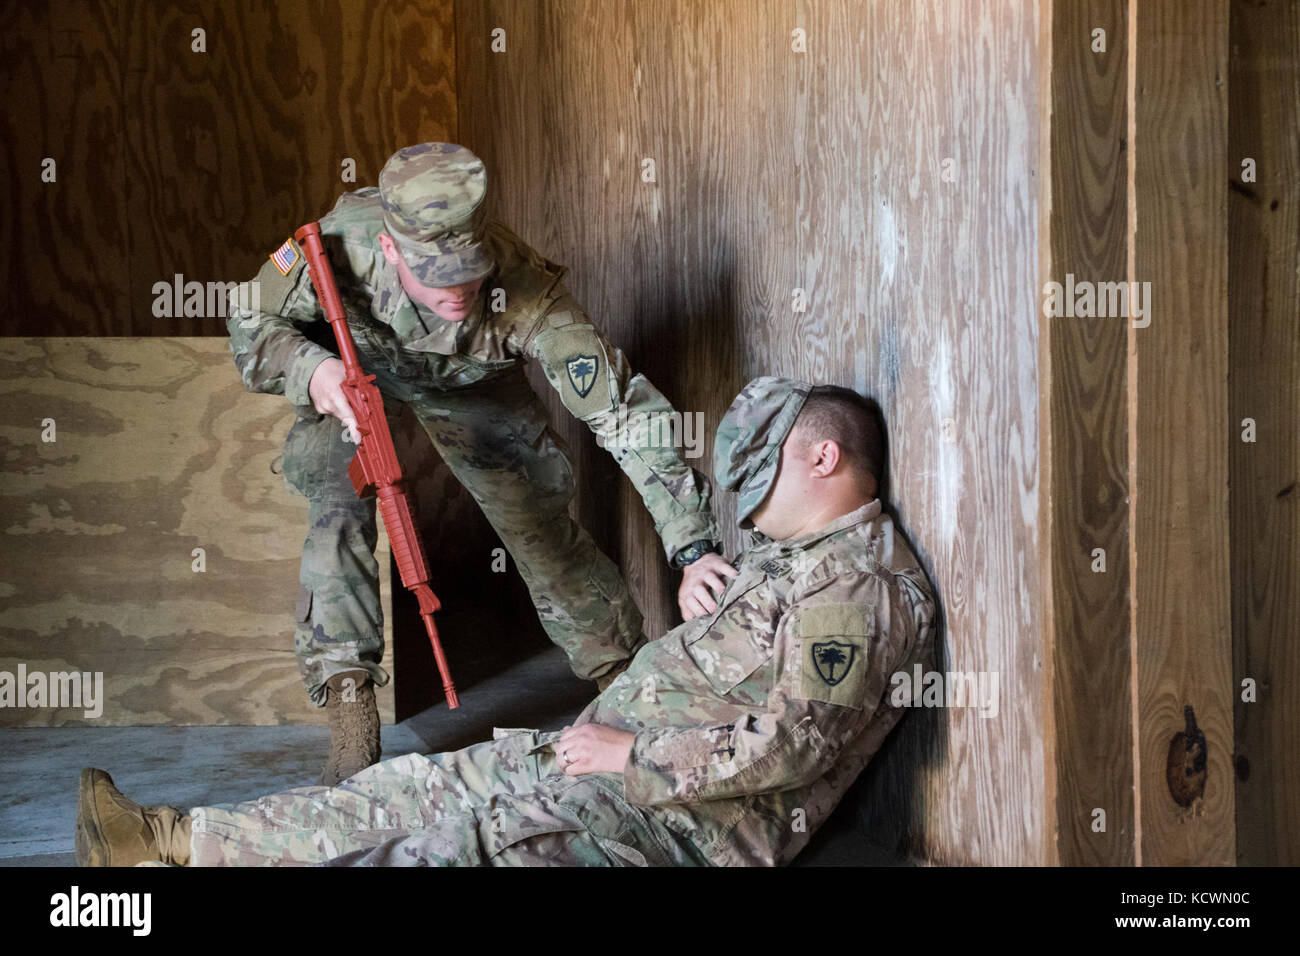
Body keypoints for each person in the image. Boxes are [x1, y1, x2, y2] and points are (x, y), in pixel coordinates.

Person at [75, 377, 936, 867]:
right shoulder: (797, 565)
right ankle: (168, 844)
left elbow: (794, 745)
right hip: (601, 761)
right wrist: (697, 601)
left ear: (823, 458)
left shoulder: (859, 594)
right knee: (401, 790)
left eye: (762, 482)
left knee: (446, 851)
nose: (747, 514)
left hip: (672, 822)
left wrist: (629, 753)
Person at [225, 143, 732, 784]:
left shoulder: (524, 291)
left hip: (470, 387)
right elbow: (248, 317)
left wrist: (691, 548)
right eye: (434, 272)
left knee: (537, 524)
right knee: (336, 502)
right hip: (351, 376)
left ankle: (626, 683)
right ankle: (351, 716)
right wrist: (310, 367)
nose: (457, 290)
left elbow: (625, 414)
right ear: (389, 250)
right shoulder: (334, 245)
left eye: (468, 269)